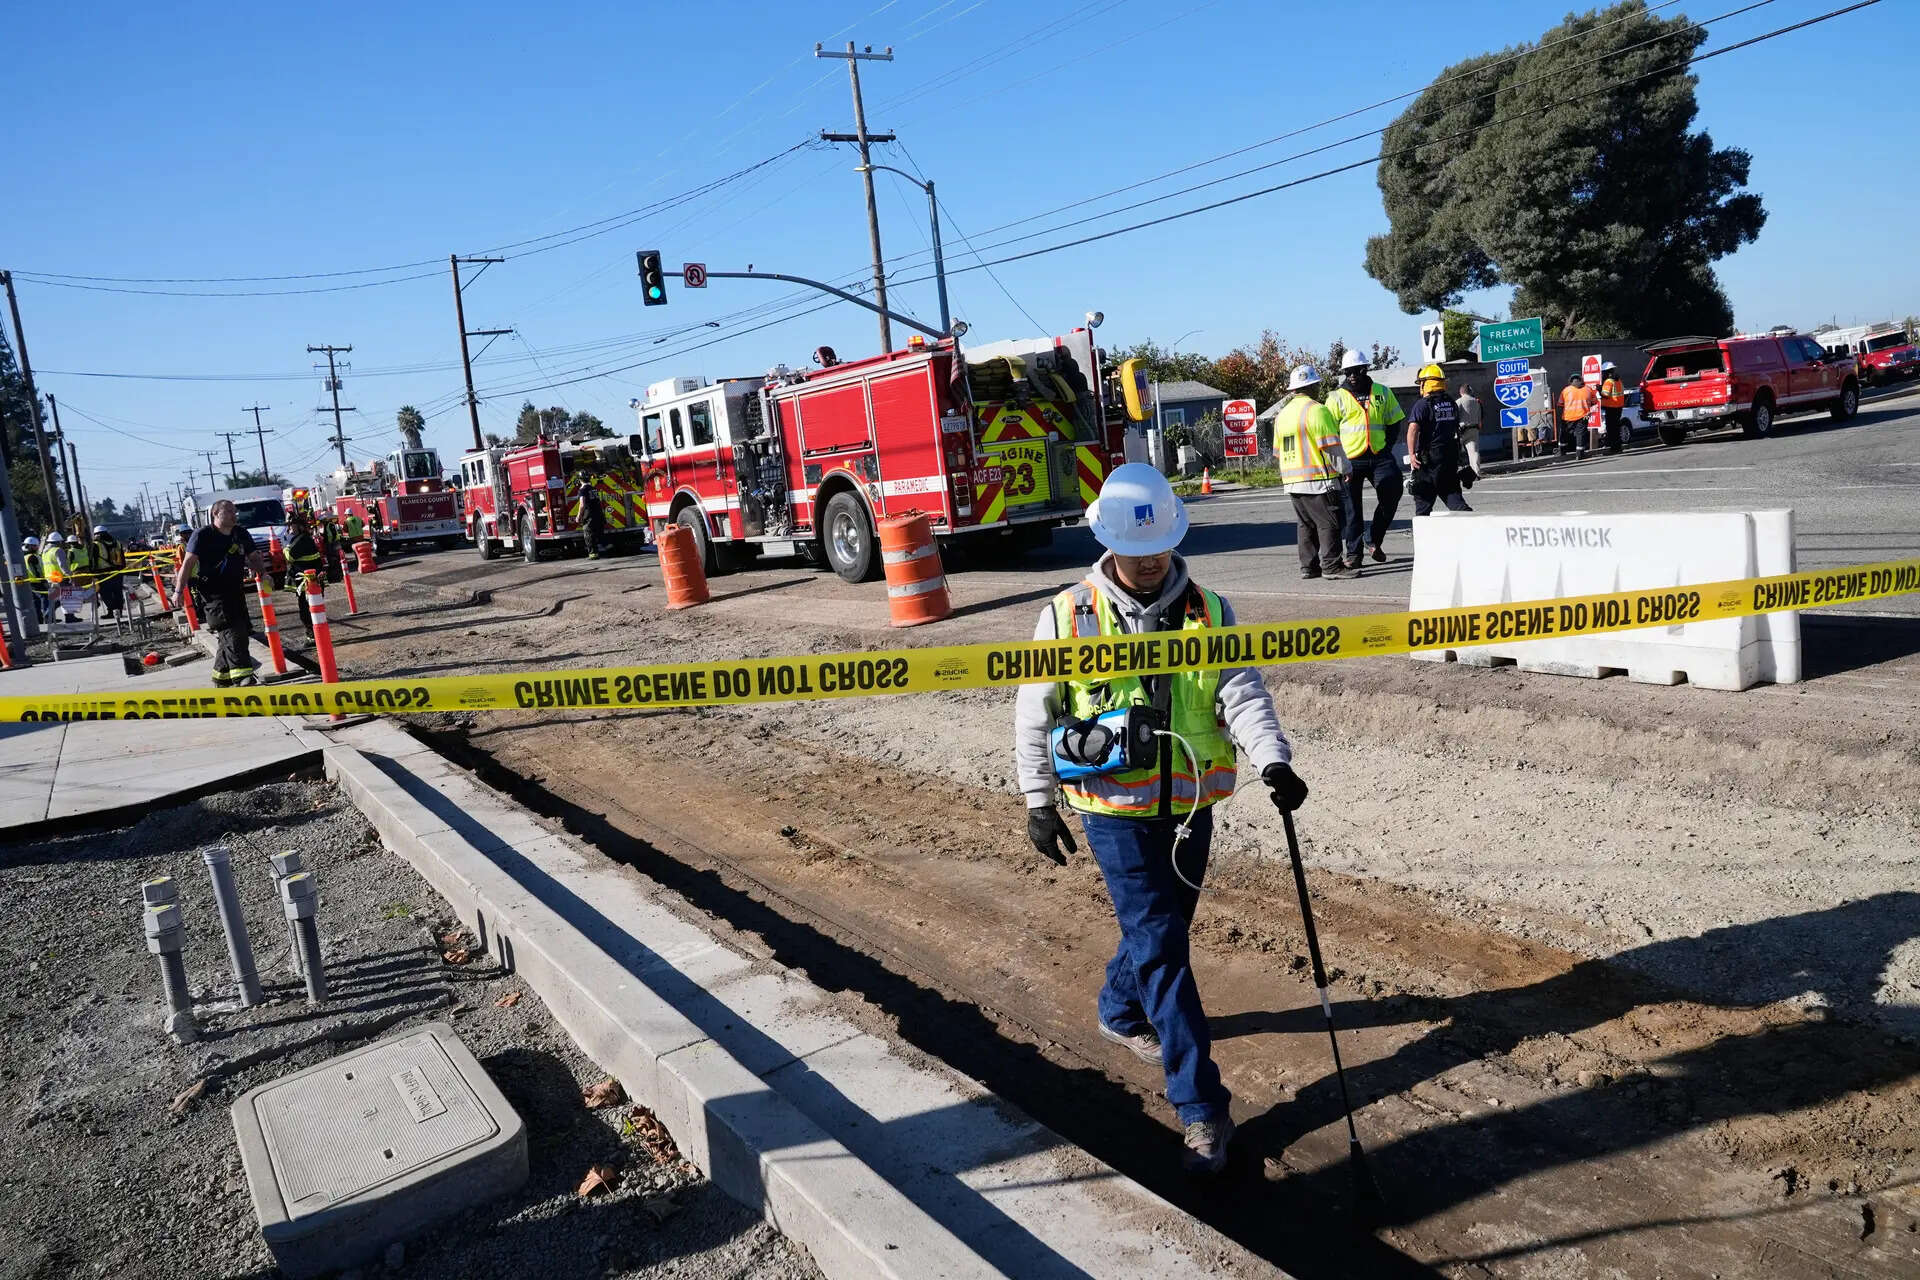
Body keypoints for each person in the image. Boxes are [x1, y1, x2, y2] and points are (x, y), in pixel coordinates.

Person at [1015, 463, 1309, 1175]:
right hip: (1110, 809)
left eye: (1157, 550)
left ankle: (1118, 1011)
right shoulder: (1066, 614)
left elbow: (1241, 690)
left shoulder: (1211, 610)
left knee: (1164, 928)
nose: (1147, 564)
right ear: (1108, 543)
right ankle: (1202, 1108)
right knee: (1163, 945)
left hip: (1188, 807)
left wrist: (1273, 759)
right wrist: (1037, 798)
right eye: (1133, 551)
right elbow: (1036, 705)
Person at [1325, 348, 1405, 569]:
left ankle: (1373, 537)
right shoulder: (1335, 398)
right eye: (1348, 371)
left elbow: (1394, 421)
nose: (1352, 375)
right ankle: (1353, 554)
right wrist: (1337, 462)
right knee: (1352, 510)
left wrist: (1387, 448)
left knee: (1392, 492)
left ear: (1365, 369)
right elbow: (1330, 433)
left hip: (1379, 456)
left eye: (1356, 370)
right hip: (1351, 460)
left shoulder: (1383, 392)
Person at [174, 498, 266, 687]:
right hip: (213, 593)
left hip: (236, 590)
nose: (235, 515)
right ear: (216, 514)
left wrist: (263, 573)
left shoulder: (240, 534)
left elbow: (254, 557)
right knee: (234, 631)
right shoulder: (203, 535)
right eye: (230, 511)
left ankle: (221, 676)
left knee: (235, 629)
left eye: (235, 511)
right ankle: (242, 677)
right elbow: (188, 563)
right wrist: (178, 591)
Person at [1273, 365, 1353, 580]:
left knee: (1306, 525)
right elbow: (1330, 446)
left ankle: (1308, 566)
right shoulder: (1317, 410)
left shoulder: (1282, 415)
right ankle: (1332, 565)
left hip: (1292, 480)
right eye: (1316, 384)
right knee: (1329, 522)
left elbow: (1278, 452)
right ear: (1312, 386)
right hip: (1318, 479)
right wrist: (1345, 468)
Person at [1406, 364, 1472, 515]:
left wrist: (1411, 454)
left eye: (1421, 383)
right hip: (1449, 457)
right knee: (1453, 497)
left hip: (1429, 460)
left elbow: (1413, 429)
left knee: (1423, 502)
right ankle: (1471, 524)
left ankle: (1424, 533)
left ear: (1426, 383)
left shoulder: (1422, 404)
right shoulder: (1451, 402)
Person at [284, 512, 326, 637]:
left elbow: (290, 556)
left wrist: (285, 549)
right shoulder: (302, 538)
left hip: (308, 582)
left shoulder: (301, 540)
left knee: (307, 609)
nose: (290, 528)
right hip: (309, 581)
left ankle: (313, 636)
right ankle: (315, 634)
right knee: (310, 608)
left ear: (299, 526)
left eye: (292, 525)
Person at [92, 524, 127, 618]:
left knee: (105, 593)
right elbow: (123, 559)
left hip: (103, 573)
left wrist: (93, 573)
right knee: (118, 592)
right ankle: (119, 611)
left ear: (97, 534)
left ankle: (111, 612)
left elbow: (94, 560)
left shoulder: (96, 545)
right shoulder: (117, 542)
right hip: (117, 572)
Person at [1558, 375, 1594, 459]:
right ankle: (1580, 454)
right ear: (1581, 380)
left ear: (1571, 381)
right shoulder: (1588, 389)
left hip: (1567, 417)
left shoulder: (1565, 390)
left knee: (1564, 433)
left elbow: (1560, 404)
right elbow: (1594, 402)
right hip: (1584, 417)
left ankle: (1562, 452)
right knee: (1581, 434)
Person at [1454, 384, 1484, 477]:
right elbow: (1480, 417)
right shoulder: (1476, 402)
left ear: (1461, 392)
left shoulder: (1459, 401)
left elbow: (1454, 416)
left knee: (1454, 452)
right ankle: (1476, 473)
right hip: (1474, 429)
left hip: (1462, 430)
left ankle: (1454, 473)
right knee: (1474, 452)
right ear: (1470, 391)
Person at [1598, 362, 1627, 454]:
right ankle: (1618, 448)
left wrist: (1599, 389)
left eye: (1603, 372)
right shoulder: (1618, 381)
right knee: (1616, 428)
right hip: (1618, 408)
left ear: (1606, 372)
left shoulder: (1608, 381)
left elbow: (1605, 395)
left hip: (1611, 408)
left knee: (1611, 429)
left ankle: (1614, 448)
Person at [580, 477, 607, 560]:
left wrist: (579, 516)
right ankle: (606, 546)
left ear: (580, 480)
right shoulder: (593, 488)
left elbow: (582, 504)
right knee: (598, 532)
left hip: (589, 514)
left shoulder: (583, 490)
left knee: (588, 534)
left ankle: (593, 554)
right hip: (598, 514)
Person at [22, 535, 46, 623]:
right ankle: (47, 617)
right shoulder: (32, 557)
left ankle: (39, 620)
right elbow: (36, 570)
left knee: (36, 603)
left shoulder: (24, 557)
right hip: (38, 582)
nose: (37, 547)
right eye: (36, 546)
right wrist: (43, 580)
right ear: (31, 546)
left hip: (30, 583)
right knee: (45, 599)